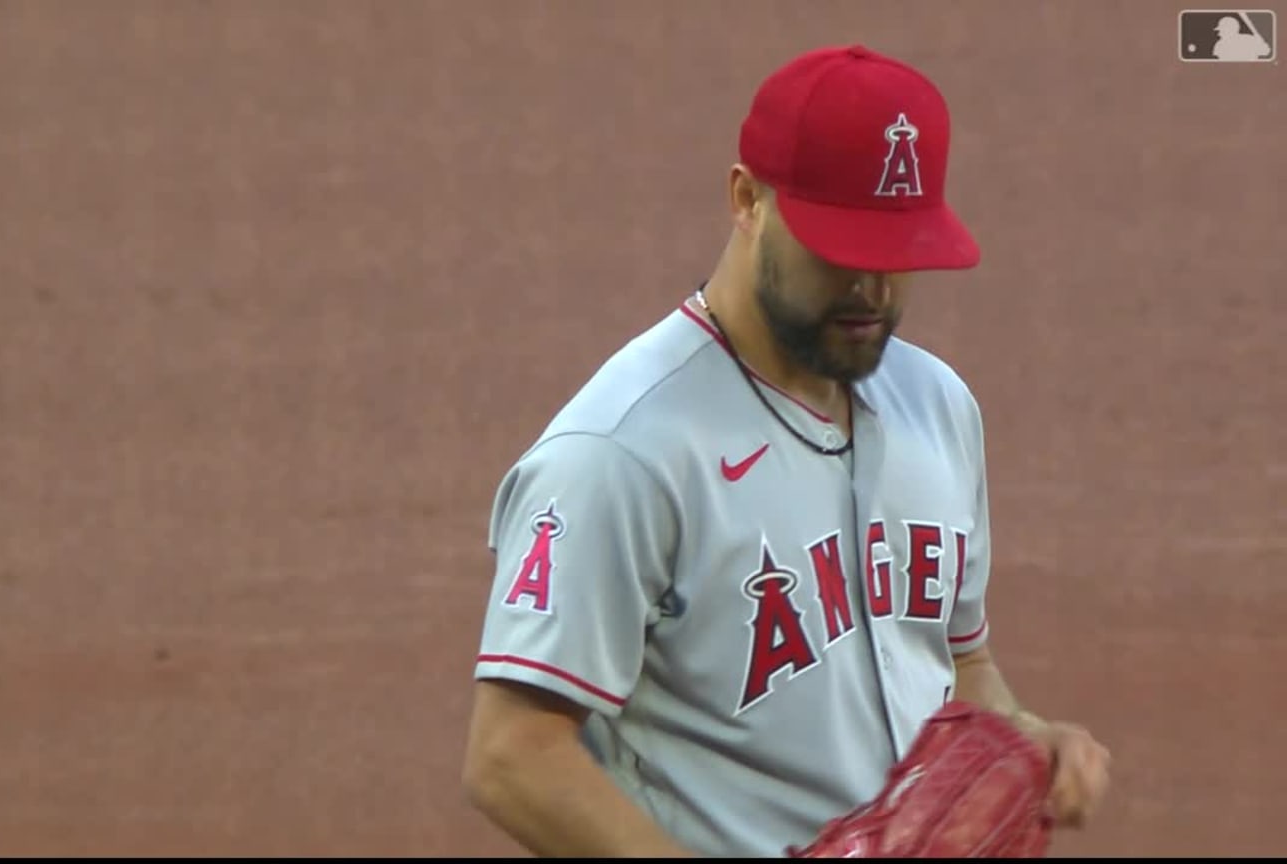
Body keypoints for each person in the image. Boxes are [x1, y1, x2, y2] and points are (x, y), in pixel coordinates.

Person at [459, 44, 1112, 857]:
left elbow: (957, 657)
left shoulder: (938, 405)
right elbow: (511, 757)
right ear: (746, 200)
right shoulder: (621, 452)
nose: (871, 288)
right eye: (840, 248)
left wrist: (1022, 738)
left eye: (897, 252)